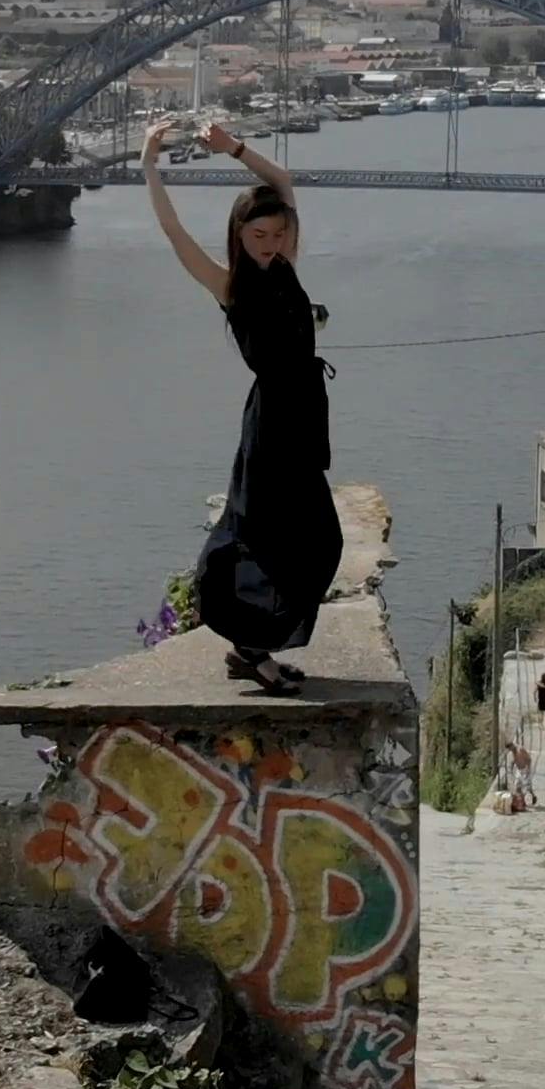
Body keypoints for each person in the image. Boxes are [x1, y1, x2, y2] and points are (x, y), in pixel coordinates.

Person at [144, 116, 344, 696]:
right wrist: (149, 165)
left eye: (278, 233)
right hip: (272, 426)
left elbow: (281, 180)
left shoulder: (285, 267)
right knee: (266, 539)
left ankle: (254, 648)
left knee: (321, 542)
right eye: (259, 235)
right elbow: (174, 232)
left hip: (304, 418)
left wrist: (232, 147)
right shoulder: (230, 285)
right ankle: (251, 650)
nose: (271, 243)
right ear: (239, 234)